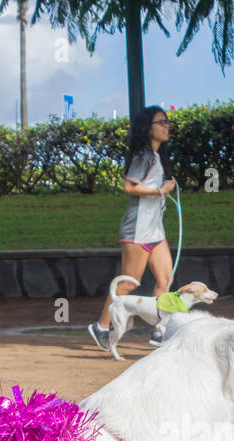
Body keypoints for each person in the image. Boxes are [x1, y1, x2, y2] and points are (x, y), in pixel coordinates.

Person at [87, 106, 177, 351]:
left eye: (167, 122)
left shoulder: (155, 157)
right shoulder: (144, 156)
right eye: (161, 122)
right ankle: (102, 327)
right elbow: (129, 187)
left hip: (155, 230)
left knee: (165, 278)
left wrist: (163, 189)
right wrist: (160, 191)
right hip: (137, 231)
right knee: (129, 283)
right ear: (148, 128)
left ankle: (159, 331)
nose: (166, 126)